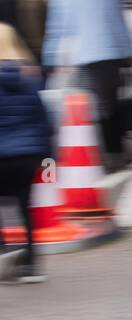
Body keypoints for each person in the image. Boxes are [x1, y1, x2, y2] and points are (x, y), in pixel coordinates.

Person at [42, 0, 132, 170]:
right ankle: (115, 153)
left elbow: (57, 26)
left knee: (84, 108)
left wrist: (49, 58)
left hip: (78, 55)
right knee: (107, 106)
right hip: (108, 52)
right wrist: (129, 51)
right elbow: (119, 20)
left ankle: (101, 155)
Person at [0, 21, 51, 284]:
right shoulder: (28, 77)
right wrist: (48, 156)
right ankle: (32, 266)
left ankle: (4, 254)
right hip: (27, 155)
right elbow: (43, 118)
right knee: (26, 207)